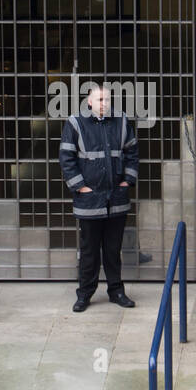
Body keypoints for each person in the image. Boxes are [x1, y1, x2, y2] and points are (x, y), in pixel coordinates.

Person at [58, 85, 139, 312]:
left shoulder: (121, 121)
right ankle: (84, 294)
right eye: (100, 99)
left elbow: (132, 152)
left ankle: (116, 292)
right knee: (89, 252)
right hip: (90, 202)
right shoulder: (76, 123)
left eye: (107, 99)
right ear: (89, 101)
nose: (105, 103)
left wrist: (127, 182)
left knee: (113, 250)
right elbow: (66, 158)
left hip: (116, 199)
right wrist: (81, 187)